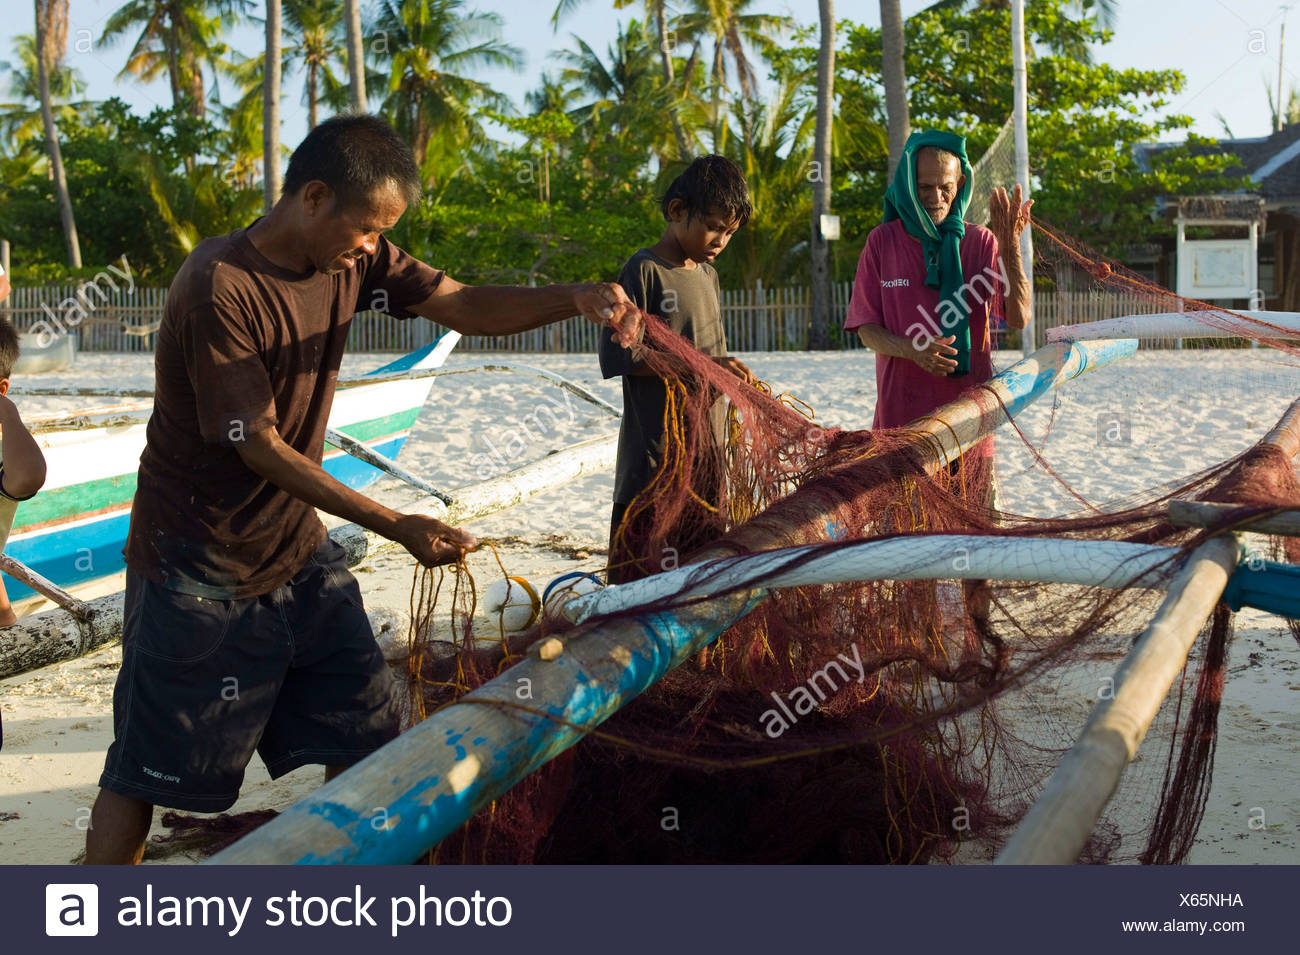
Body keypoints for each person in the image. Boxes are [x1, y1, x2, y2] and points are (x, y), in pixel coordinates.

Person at [86, 115, 642, 864]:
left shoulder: (355, 258)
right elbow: (260, 444)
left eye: (384, 234)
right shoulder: (219, 285)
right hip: (197, 564)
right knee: (142, 775)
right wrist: (394, 522)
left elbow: (464, 305)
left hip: (297, 555)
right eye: (367, 229)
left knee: (369, 735)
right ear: (313, 197)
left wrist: (575, 298)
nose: (373, 247)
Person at [845, 130, 1031, 634]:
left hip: (971, 425)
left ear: (961, 184)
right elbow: (866, 330)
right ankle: (918, 642)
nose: (936, 198)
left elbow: (1018, 316)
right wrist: (914, 350)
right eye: (925, 187)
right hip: (903, 425)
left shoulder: (980, 242)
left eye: (946, 188)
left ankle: (979, 638)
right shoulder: (882, 243)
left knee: (978, 542)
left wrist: (1012, 246)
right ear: (907, 183)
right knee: (911, 549)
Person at [598, 155, 755, 583]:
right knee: (640, 582)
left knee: (699, 575)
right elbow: (620, 357)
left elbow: (710, 354)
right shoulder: (643, 270)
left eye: (730, 232)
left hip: (707, 451)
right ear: (677, 211)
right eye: (714, 226)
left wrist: (727, 376)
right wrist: (704, 366)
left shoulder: (707, 275)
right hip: (654, 457)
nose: (721, 240)